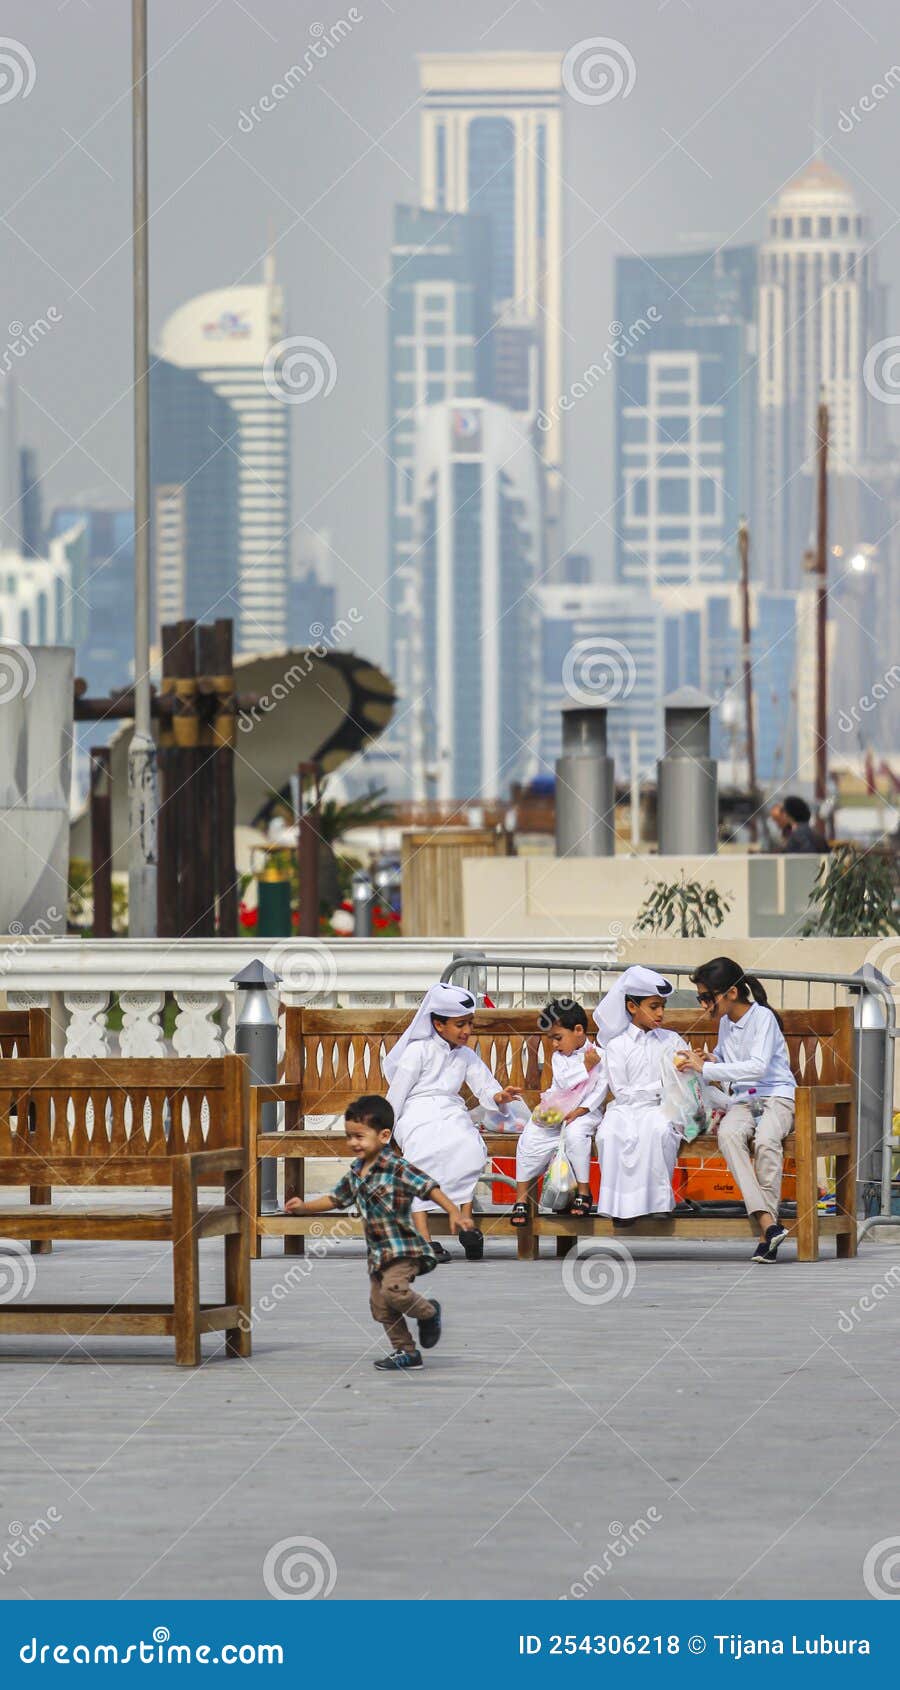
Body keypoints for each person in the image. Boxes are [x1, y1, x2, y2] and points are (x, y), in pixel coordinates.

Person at [284, 1094, 466, 1371]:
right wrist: (303, 1207)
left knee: (395, 1291)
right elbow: (335, 1199)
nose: (353, 1143)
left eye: (359, 1136)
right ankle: (406, 1351)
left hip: (404, 1249)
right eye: (349, 1136)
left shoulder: (397, 1167)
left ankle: (428, 1312)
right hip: (378, 1255)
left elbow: (428, 1187)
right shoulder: (356, 1173)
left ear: (383, 1136)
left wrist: (454, 1211)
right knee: (380, 1306)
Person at [383, 983, 521, 1261]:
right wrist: (385, 1132)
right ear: (438, 1024)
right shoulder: (417, 1051)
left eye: (469, 1023)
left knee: (467, 1146)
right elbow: (397, 1093)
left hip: (450, 1111)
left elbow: (485, 1086)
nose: (466, 1031)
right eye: (460, 1024)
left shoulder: (466, 1055)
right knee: (421, 1155)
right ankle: (424, 1240)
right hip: (416, 1113)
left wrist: (500, 1095)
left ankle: (464, 1224)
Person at [680, 957, 795, 1264]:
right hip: (746, 1100)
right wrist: (710, 1059)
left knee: (767, 1141)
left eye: (707, 997)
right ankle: (770, 1226)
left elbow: (757, 1068)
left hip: (775, 1097)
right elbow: (729, 1060)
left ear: (731, 993)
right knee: (729, 1135)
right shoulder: (726, 1023)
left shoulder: (763, 1018)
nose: (704, 1004)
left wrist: (706, 1068)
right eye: (700, 997)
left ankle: (765, 1236)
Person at [593, 966, 687, 1224]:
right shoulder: (617, 1045)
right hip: (625, 1108)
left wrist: (687, 1068)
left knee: (658, 1130)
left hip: (663, 1106)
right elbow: (621, 1092)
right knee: (609, 1134)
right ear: (632, 1007)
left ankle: (658, 1203)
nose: (660, 1013)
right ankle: (621, 1208)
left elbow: (684, 1082)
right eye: (654, 1006)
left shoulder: (672, 1040)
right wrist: (663, 1081)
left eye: (662, 1006)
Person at [510, 998, 607, 1226]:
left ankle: (584, 1192)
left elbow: (601, 1088)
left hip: (585, 1113)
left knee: (575, 1134)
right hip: (558, 1107)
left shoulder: (601, 1055)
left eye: (558, 1038)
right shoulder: (559, 1058)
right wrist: (585, 1067)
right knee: (531, 1134)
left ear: (579, 1030)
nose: (554, 1044)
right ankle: (521, 1199)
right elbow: (563, 1083)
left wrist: (581, 1110)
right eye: (551, 1039)